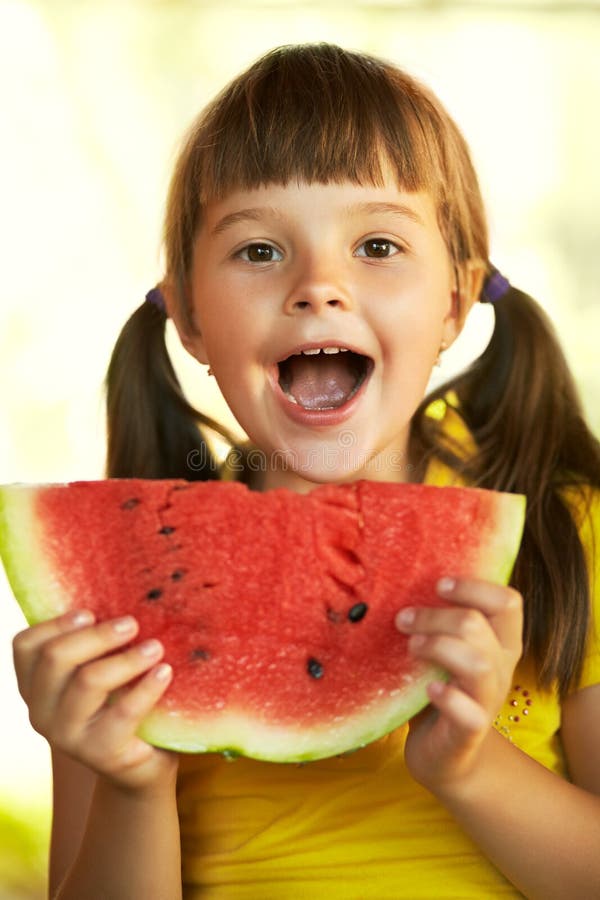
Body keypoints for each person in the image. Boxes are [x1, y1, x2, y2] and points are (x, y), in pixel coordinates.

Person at [12, 43, 600, 899]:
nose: (319, 286)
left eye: (376, 243)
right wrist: (135, 783)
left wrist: (473, 769)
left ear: (454, 300)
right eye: (258, 251)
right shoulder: (127, 599)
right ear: (188, 321)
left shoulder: (563, 530)